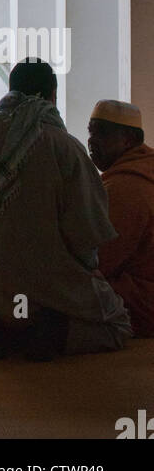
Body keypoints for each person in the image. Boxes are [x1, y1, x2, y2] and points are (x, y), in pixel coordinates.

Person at [0, 59, 132, 360]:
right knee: (117, 325)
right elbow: (88, 235)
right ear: (52, 95)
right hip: (50, 288)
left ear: (9, 91)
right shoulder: (65, 147)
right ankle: (42, 336)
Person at [88, 99, 154, 337]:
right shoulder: (143, 170)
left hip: (142, 303)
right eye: (90, 132)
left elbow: (99, 261)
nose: (92, 141)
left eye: (102, 133)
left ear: (128, 139)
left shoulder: (126, 187)